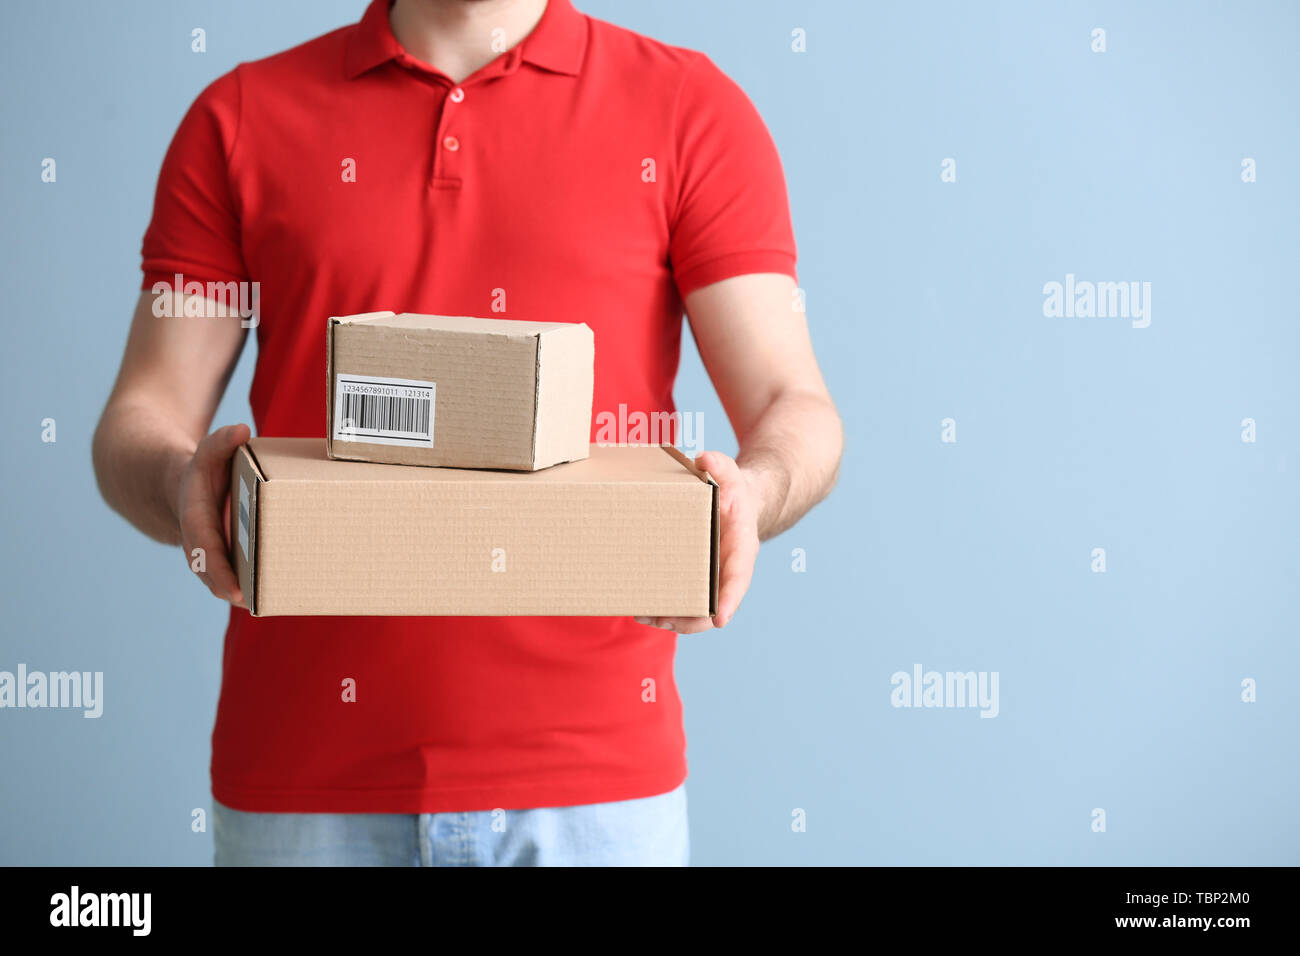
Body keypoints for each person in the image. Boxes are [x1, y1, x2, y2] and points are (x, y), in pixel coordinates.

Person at [92, 0, 842, 866]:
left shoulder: (688, 108)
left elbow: (796, 405)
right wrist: (184, 483)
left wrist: (755, 491)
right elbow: (139, 418)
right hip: (304, 784)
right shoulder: (241, 117)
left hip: (594, 790)